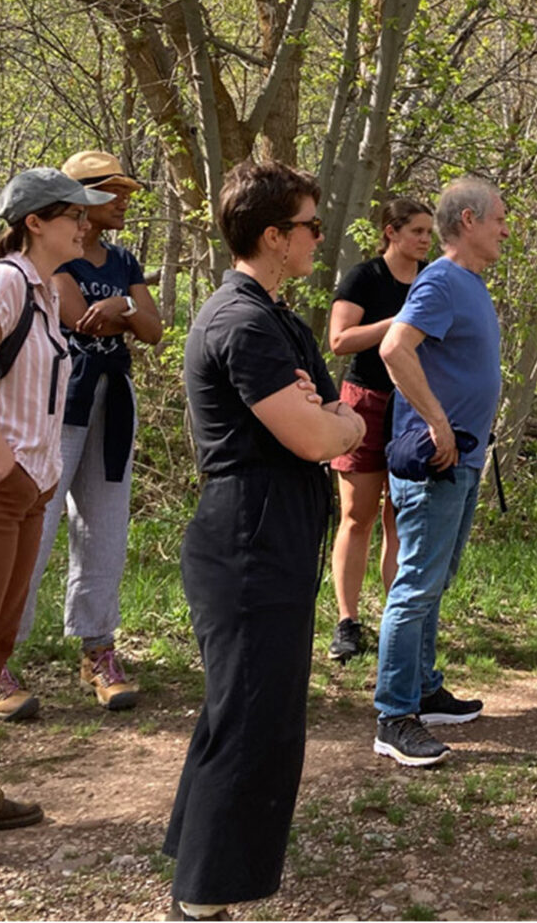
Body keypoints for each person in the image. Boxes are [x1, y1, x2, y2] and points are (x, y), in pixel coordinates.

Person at [162, 161, 365, 920]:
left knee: (247, 706)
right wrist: (335, 426)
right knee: (252, 713)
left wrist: (333, 420)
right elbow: (316, 430)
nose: (320, 236)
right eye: (311, 225)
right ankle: (204, 896)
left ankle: (197, 857)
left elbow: (332, 409)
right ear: (275, 236)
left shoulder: (278, 316)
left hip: (274, 525)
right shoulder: (240, 321)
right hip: (246, 530)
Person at [0, 168, 114, 869]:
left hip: (18, 494)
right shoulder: (3, 283)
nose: (87, 226)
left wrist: (32, 484)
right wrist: (9, 469)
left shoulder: (45, 294)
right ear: (36, 221)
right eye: (75, 215)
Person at [0, 152, 163, 722]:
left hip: (113, 401)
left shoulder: (124, 258)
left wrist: (118, 307)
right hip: (60, 400)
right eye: (111, 191)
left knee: (105, 521)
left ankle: (98, 649)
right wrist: (120, 311)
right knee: (35, 525)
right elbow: (74, 316)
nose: (122, 202)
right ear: (77, 200)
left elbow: (152, 328)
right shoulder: (51, 257)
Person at [372, 176, 506, 768]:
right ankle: (394, 715)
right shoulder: (443, 280)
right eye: (500, 218)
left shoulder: (470, 284)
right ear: (470, 220)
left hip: (465, 462)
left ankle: (424, 689)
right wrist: (437, 423)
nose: (506, 229)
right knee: (415, 586)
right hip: (437, 462)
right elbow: (394, 347)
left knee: (434, 582)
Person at [325, 198, 434, 664]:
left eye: (430, 232)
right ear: (391, 232)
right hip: (365, 400)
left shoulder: (432, 278)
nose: (426, 240)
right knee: (358, 514)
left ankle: (397, 621)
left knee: (401, 518)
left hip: (413, 404)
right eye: (417, 231)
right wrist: (398, 325)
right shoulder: (363, 277)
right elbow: (339, 340)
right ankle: (348, 622)